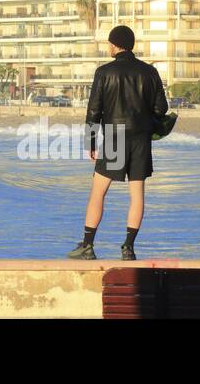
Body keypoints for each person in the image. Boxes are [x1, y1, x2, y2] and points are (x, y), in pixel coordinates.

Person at [67, 25, 168, 261]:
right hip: (141, 138)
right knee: (137, 194)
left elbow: (94, 111)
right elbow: (161, 108)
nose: (108, 47)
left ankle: (88, 245)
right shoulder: (149, 72)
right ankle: (128, 247)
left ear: (114, 44)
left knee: (98, 192)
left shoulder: (104, 72)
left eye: (109, 43)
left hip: (115, 136)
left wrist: (90, 143)